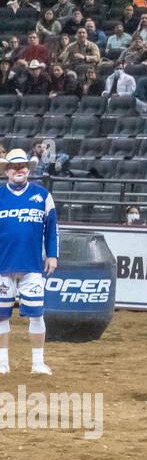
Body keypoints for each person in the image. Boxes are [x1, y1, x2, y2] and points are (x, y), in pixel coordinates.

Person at [0, 149, 58, 375]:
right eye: (14, 167)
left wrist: (52, 255)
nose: (18, 170)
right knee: (1, 315)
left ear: (28, 170)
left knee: (36, 314)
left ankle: (38, 363)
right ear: (6, 171)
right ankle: (3, 363)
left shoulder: (42, 195)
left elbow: (52, 229)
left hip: (32, 266)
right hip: (2, 267)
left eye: (22, 166)